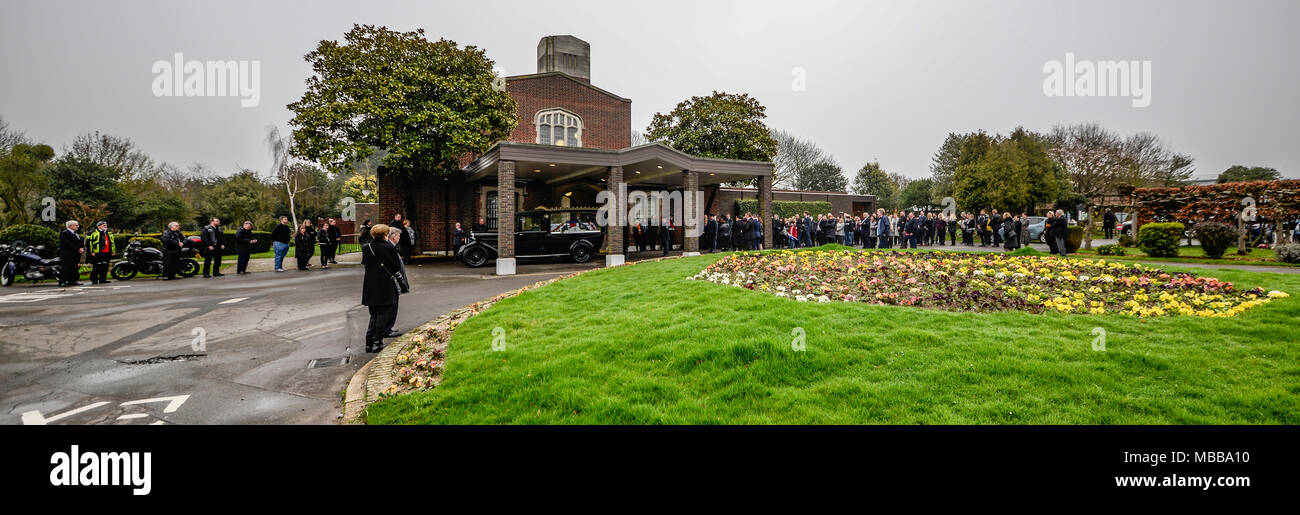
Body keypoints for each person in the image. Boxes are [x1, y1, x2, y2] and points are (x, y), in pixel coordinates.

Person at [361, 224, 404, 353]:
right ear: (386, 234)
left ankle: (369, 342)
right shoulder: (389, 247)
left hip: (370, 284)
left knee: (373, 314)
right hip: (385, 284)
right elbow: (396, 266)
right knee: (384, 314)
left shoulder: (366, 247)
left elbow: (365, 264)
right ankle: (377, 342)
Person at [85, 221, 113, 285]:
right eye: (104, 225)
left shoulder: (108, 233)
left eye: (106, 225)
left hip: (107, 252)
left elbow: (112, 242)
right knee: (96, 267)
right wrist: (91, 251)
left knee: (105, 266)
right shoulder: (93, 233)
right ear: (99, 226)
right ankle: (94, 280)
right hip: (98, 252)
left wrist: (113, 251)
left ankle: (102, 279)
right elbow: (89, 243)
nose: (105, 227)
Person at [58, 220, 84, 287]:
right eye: (76, 225)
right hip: (67, 254)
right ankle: (62, 282)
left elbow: (79, 242)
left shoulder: (75, 233)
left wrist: (82, 248)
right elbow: (68, 243)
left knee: (74, 268)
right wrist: (78, 249)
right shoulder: (65, 233)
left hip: (75, 254)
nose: (78, 226)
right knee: (66, 268)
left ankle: (72, 281)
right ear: (70, 226)